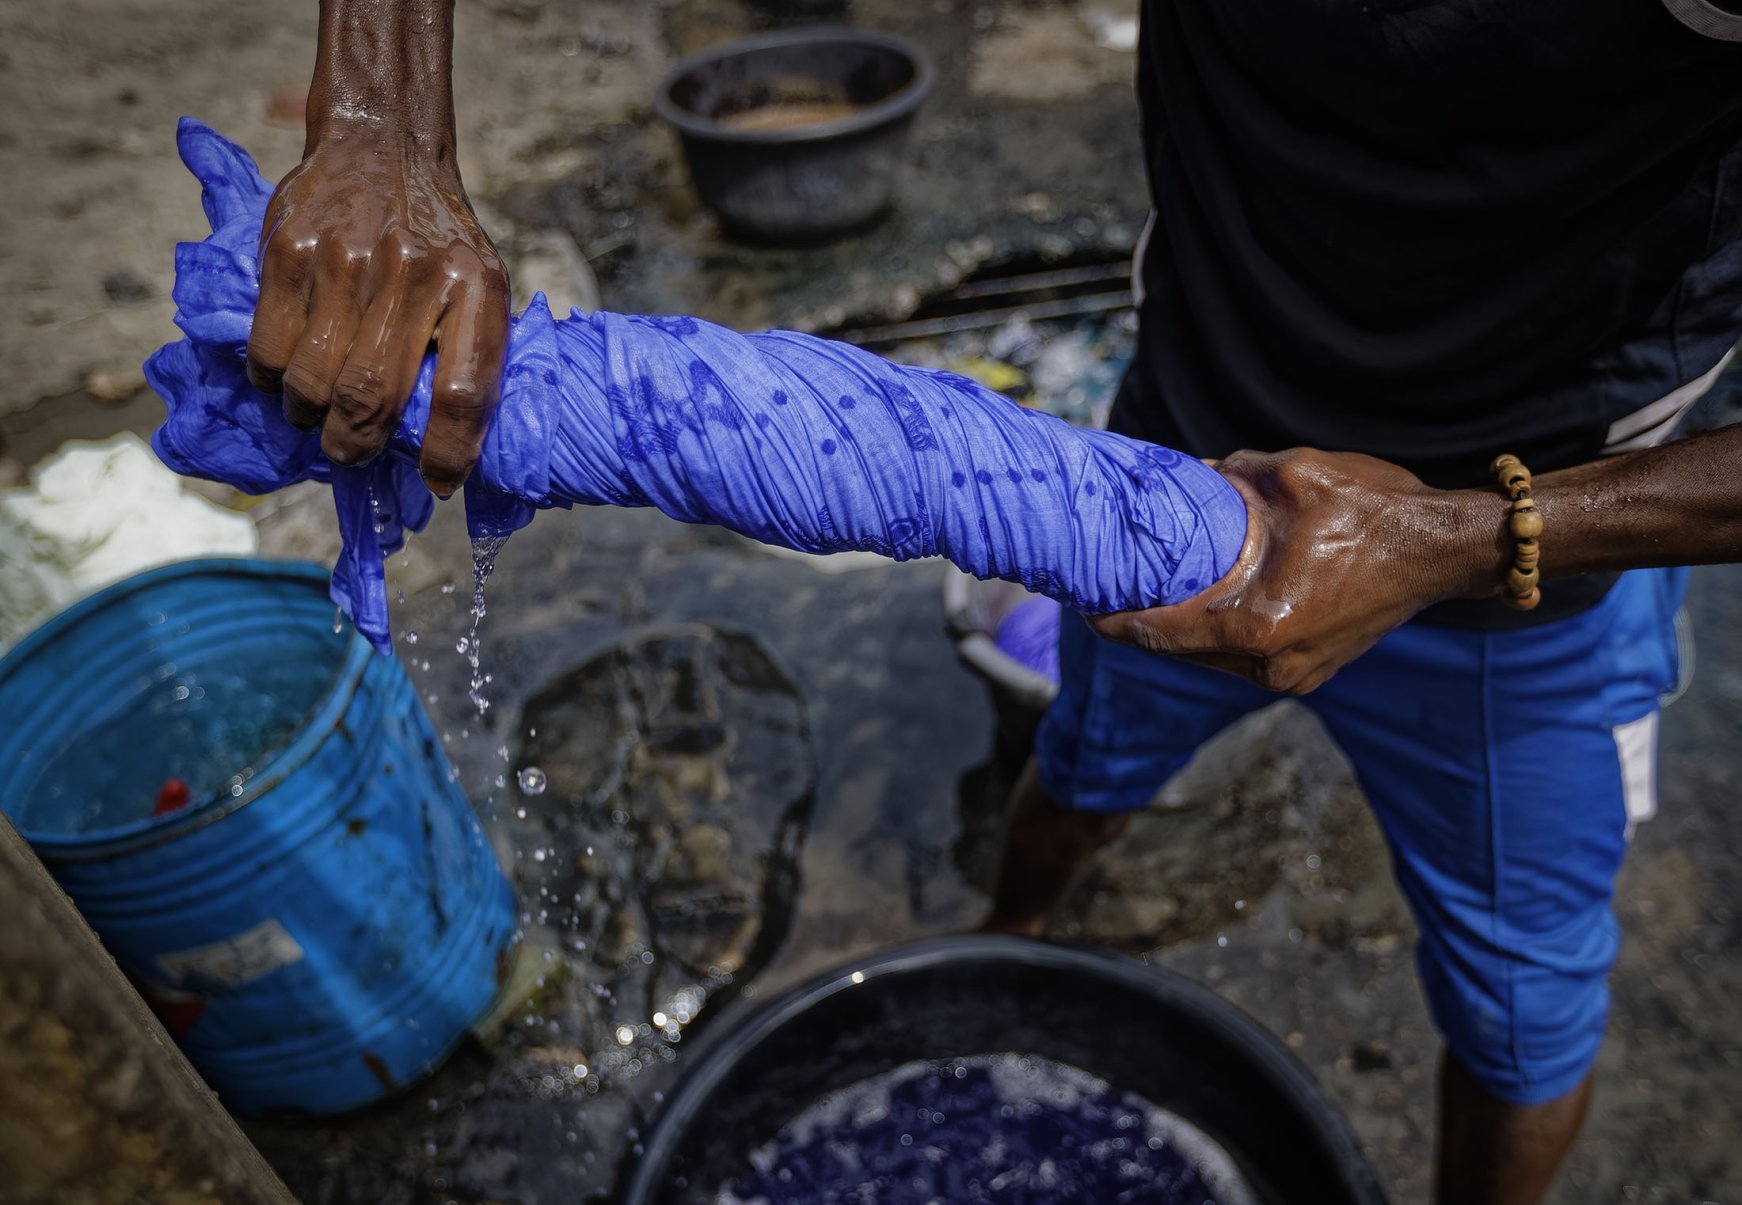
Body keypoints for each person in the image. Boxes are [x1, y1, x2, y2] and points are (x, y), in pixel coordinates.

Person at [245, 1, 1742, 1200]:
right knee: (1078, 765)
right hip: (1183, 492)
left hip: (1529, 552)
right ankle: (1008, 943)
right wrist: (379, 107)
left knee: (1522, 1000)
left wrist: (1472, 533)